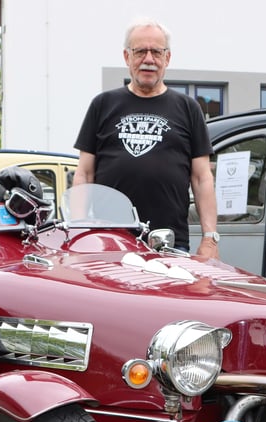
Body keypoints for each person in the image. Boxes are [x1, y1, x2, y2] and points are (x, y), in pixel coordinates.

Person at [73, 18, 219, 259]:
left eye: (156, 52)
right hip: (110, 243)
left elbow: (202, 177)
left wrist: (210, 238)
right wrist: (77, 232)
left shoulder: (188, 108)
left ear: (167, 58)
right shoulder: (102, 105)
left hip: (170, 245)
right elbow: (84, 174)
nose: (148, 59)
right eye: (140, 51)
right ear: (127, 57)